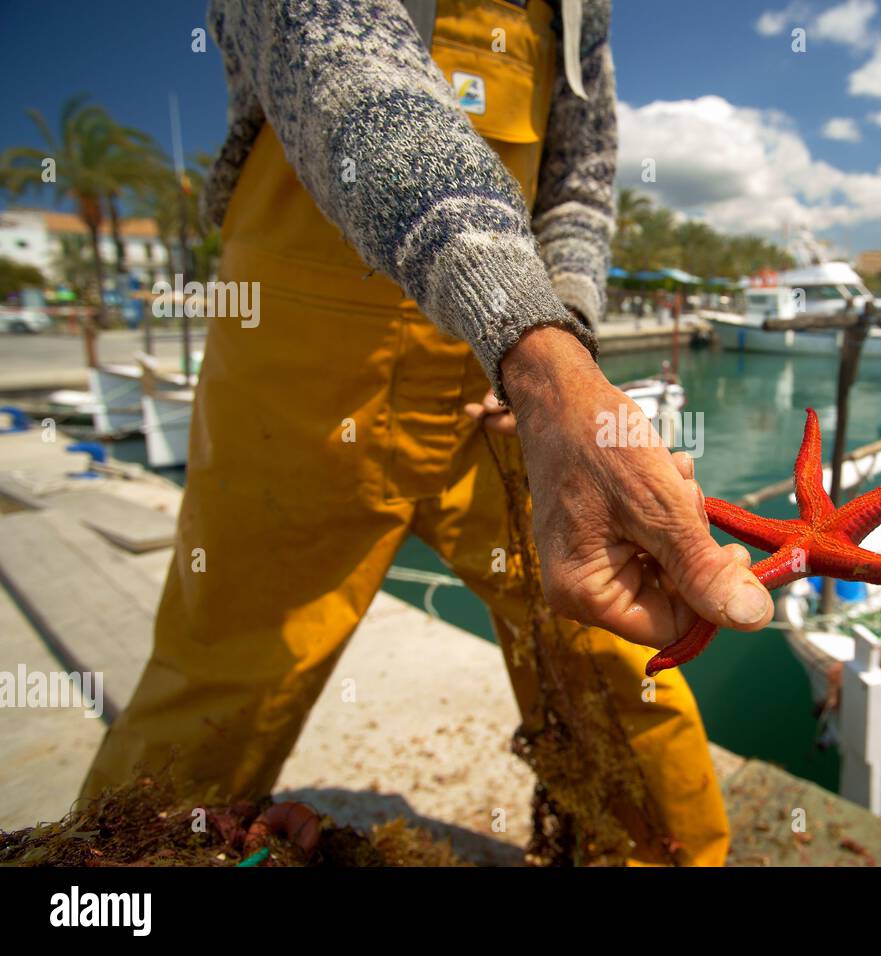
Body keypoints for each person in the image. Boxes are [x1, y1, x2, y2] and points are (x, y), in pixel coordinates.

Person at [79, 0, 774, 866]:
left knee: (620, 642)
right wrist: (539, 354)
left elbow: (580, 185)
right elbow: (342, 74)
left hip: (503, 385)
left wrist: (565, 337)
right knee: (223, 685)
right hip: (305, 370)